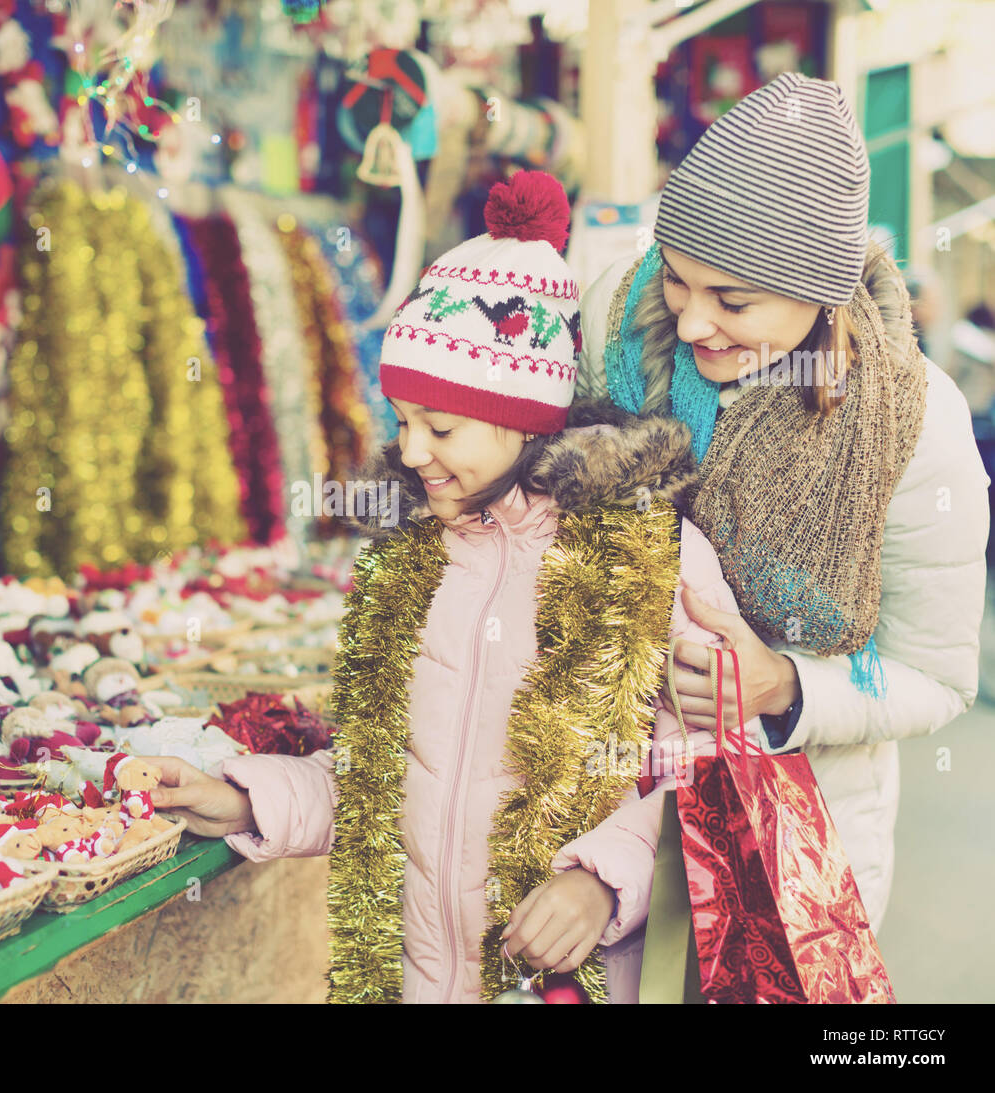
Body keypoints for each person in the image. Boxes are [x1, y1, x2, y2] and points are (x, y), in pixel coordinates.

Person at [142, 171, 760, 1004]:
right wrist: (246, 798)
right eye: (401, 422)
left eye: (441, 427)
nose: (414, 452)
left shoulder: (647, 562)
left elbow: (719, 779)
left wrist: (602, 881)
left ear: (527, 416)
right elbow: (377, 784)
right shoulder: (409, 564)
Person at [574, 72, 990, 932]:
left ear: (822, 292)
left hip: (792, 843)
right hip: (591, 808)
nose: (691, 324)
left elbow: (937, 674)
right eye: (680, 281)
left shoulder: (915, 425)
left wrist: (782, 685)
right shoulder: (616, 316)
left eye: (734, 301)